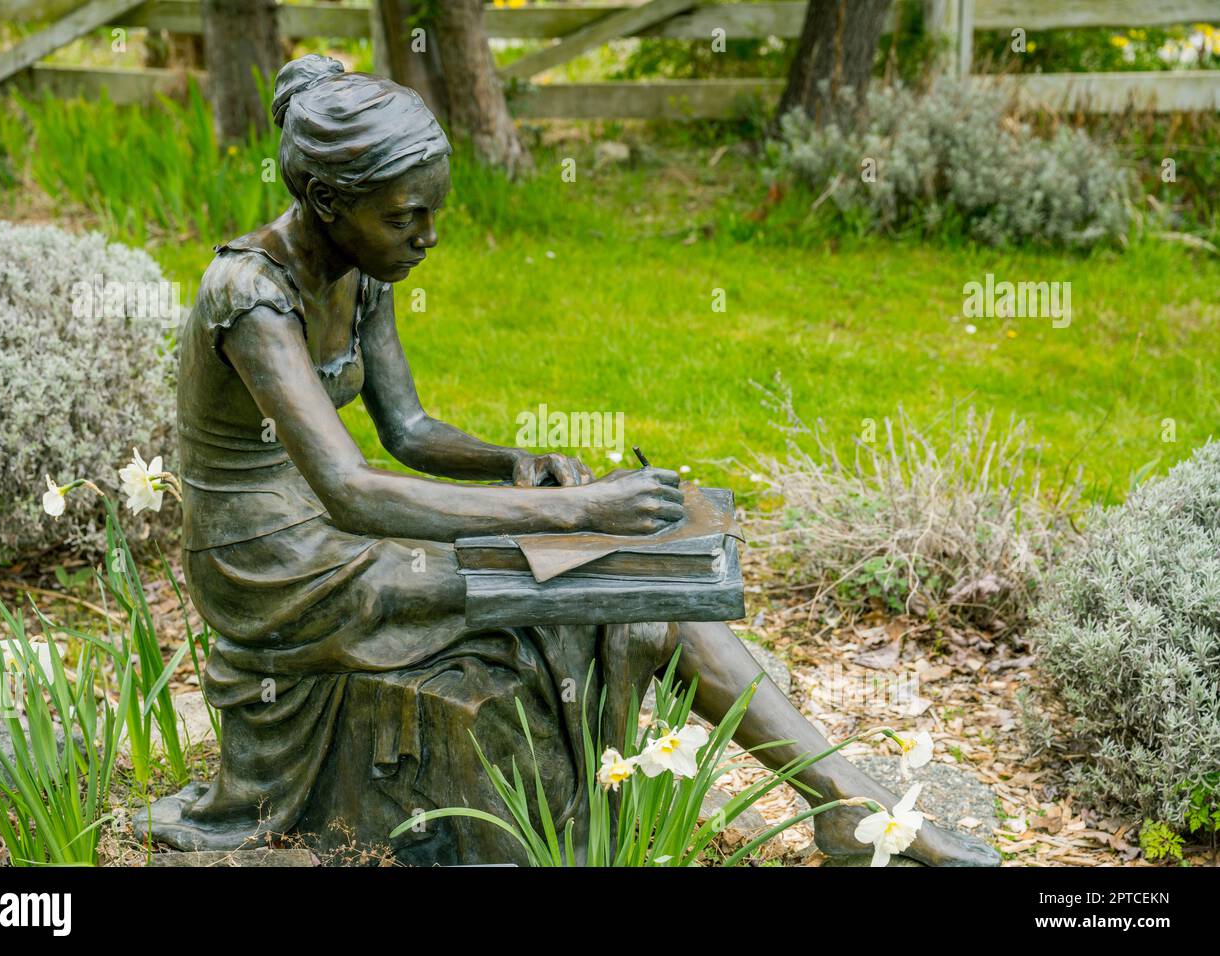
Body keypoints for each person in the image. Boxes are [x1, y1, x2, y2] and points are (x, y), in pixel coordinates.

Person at [143, 55, 998, 867]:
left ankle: (844, 801)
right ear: (328, 199)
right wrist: (575, 512)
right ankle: (818, 803)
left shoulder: (362, 272)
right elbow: (353, 487)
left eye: (432, 212)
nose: (429, 237)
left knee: (638, 586)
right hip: (271, 562)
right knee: (583, 572)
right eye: (407, 217)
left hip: (336, 528)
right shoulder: (249, 295)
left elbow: (405, 427)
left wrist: (513, 460)